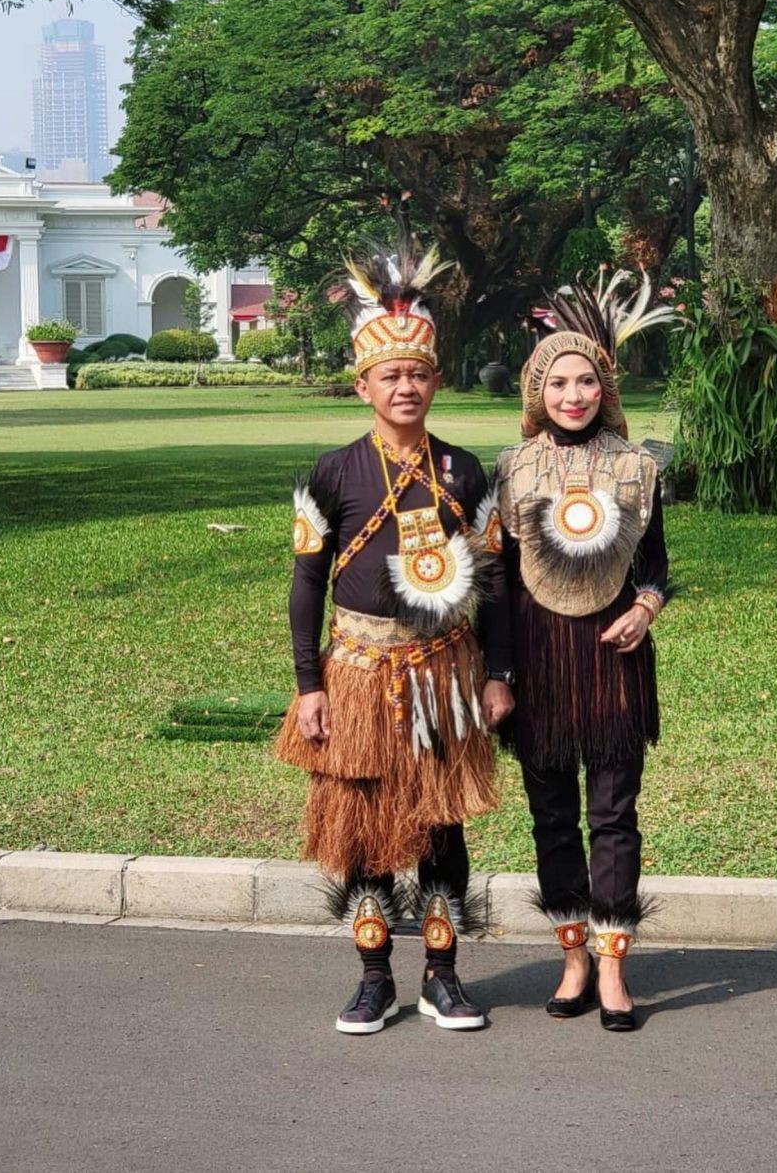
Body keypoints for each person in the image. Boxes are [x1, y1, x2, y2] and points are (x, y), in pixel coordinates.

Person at [276, 242, 514, 1035]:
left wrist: (497, 673)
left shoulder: (466, 472)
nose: (404, 386)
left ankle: (442, 975)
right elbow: (307, 586)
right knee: (368, 827)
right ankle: (374, 976)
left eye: (417, 374)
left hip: (445, 673)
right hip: (357, 673)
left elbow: (497, 584)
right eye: (390, 376)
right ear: (364, 385)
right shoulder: (333, 473)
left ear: (434, 380)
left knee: (442, 822)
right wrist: (310, 686)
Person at [495, 272, 672, 1032]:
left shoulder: (637, 467)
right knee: (551, 817)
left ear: (605, 385)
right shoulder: (512, 468)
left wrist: (645, 608)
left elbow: (657, 566)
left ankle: (613, 966)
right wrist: (497, 673)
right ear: (539, 389)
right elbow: (497, 583)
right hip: (538, 656)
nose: (575, 394)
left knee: (613, 812)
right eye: (559, 381)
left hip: (611, 654)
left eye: (587, 380)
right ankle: (572, 955)